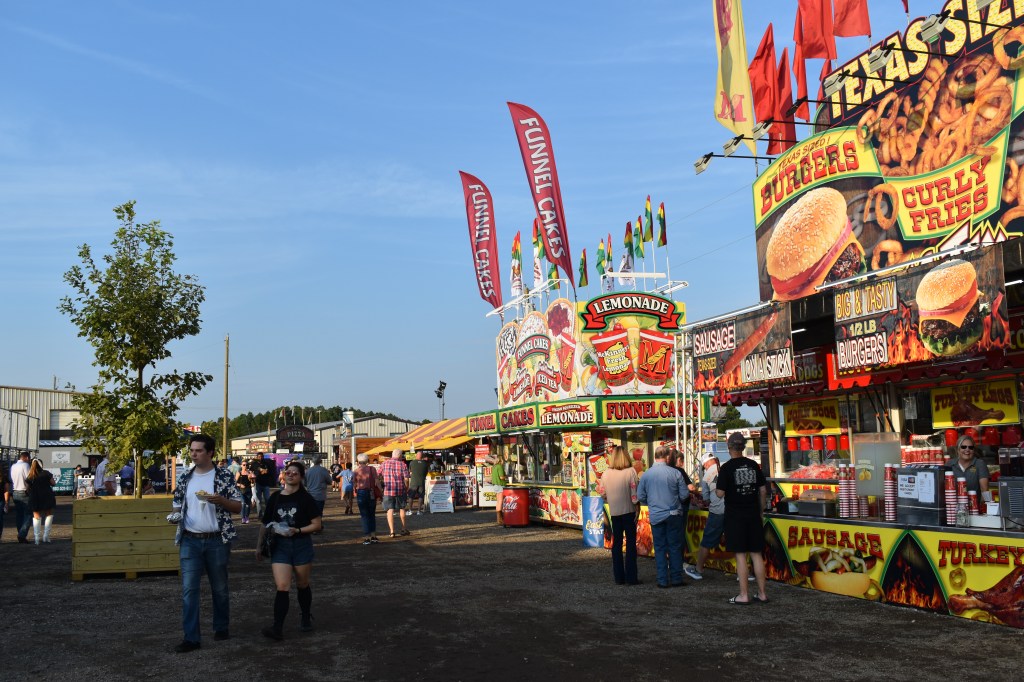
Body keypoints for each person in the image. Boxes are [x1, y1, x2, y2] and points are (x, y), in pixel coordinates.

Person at [171, 434, 243, 653]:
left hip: (217, 540)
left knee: (219, 587)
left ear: (210, 452)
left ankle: (221, 626)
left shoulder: (223, 475)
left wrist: (221, 501)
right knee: (189, 589)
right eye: (192, 450)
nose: (194, 454)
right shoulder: (185, 477)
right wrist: (175, 515)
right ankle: (191, 638)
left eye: (199, 450)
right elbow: (177, 503)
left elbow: (238, 507)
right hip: (190, 540)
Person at [256, 460, 323, 640]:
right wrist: (259, 545)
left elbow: (317, 525)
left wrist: (298, 530)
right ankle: (277, 628)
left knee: (302, 584)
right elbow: (265, 523)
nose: (291, 474)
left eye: (295, 473)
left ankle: (305, 616)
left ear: (301, 477)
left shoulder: (305, 498)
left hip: (301, 544)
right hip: (280, 546)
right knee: (282, 586)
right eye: (288, 472)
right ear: (283, 475)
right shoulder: (275, 497)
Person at [716, 432, 768, 605]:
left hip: (735, 516)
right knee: (756, 554)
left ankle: (744, 595)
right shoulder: (753, 465)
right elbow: (763, 491)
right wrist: (761, 511)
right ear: (744, 447)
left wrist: (717, 486)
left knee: (740, 556)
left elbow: (720, 493)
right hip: (753, 514)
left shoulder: (726, 468)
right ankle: (762, 594)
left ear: (729, 447)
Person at [637, 445, 689, 588]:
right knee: (675, 546)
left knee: (659, 548)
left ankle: (662, 580)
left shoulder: (646, 475)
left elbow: (640, 496)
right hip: (674, 514)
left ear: (655, 457)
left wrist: (652, 502)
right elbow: (684, 495)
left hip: (656, 515)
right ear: (667, 457)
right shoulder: (676, 473)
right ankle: (676, 578)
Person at [600, 446, 640, 585]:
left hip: (615, 512)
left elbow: (602, 493)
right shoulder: (631, 471)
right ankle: (631, 577)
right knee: (630, 544)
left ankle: (619, 577)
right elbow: (634, 495)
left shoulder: (606, 473)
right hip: (629, 511)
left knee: (616, 544)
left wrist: (610, 499)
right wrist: (637, 506)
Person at [686, 453, 726, 581]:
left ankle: (698, 569)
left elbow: (706, 499)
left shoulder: (706, 476)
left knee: (707, 542)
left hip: (717, 512)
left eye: (704, 466)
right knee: (737, 541)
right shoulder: (725, 467)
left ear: (706, 464)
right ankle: (746, 572)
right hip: (732, 510)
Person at [380, 450, 411, 537]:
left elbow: (378, 474)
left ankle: (392, 531)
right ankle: (403, 528)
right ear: (400, 456)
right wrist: (406, 487)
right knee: (402, 508)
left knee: (390, 510)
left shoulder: (384, 463)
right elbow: (406, 479)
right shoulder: (403, 464)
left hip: (388, 490)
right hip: (400, 489)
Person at [26, 459, 57, 544]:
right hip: (47, 495)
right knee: (49, 514)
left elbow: (27, 488)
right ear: (41, 464)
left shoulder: (31, 475)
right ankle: (46, 536)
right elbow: (53, 483)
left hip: (35, 496)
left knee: (36, 516)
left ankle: (37, 538)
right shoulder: (46, 473)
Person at [353, 454, 380, 545]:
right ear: (367, 460)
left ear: (358, 461)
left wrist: (355, 491)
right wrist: (381, 491)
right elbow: (377, 481)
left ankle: (367, 537)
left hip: (361, 492)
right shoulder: (372, 469)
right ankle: (373, 536)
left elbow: (354, 484)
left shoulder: (356, 471)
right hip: (371, 492)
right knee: (372, 514)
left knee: (364, 515)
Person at [9, 451, 31, 544]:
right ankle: (22, 534)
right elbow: (29, 479)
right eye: (29, 458)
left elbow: (11, 479)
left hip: (15, 491)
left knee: (19, 515)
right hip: (24, 491)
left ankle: (20, 533)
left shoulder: (13, 466)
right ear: (26, 457)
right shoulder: (25, 465)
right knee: (28, 514)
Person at [303, 456, 332, 521]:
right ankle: (318, 524)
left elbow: (304, 483)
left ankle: (312, 524)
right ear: (321, 461)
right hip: (320, 494)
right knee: (319, 512)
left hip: (310, 494)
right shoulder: (323, 470)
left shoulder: (308, 471)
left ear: (312, 462)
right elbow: (330, 481)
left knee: (310, 512)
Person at [491, 454, 508, 524]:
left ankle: (498, 518)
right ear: (501, 460)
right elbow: (501, 477)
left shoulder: (494, 467)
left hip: (495, 485)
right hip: (500, 485)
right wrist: (506, 477)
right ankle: (500, 519)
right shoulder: (500, 466)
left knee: (498, 501)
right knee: (500, 501)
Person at [236, 460, 254, 524]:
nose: (245, 466)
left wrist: (251, 478)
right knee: (243, 503)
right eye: (244, 465)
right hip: (241, 490)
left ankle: (247, 517)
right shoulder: (239, 473)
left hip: (248, 490)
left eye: (246, 465)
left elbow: (253, 483)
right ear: (241, 466)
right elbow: (235, 482)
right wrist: (240, 485)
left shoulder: (249, 473)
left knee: (248, 505)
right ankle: (243, 518)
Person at [1, 464, 11, 540]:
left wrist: (6, 502)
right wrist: (7, 502)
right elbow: (6, 491)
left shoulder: (4, 479)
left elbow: (6, 491)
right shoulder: (4, 479)